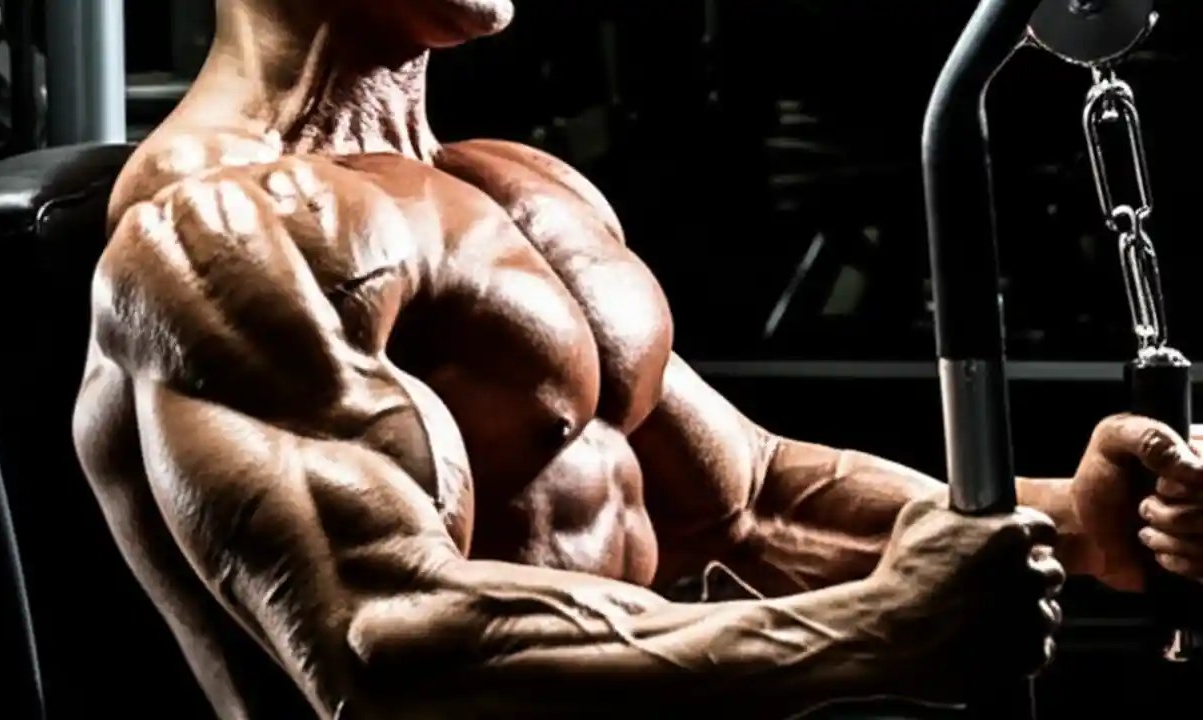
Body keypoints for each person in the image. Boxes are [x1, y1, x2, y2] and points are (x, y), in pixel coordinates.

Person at [72, 1, 1203, 717]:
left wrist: (1075, 527)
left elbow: (744, 510)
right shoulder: (215, 230)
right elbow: (379, 644)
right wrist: (868, 634)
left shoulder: (516, 185)